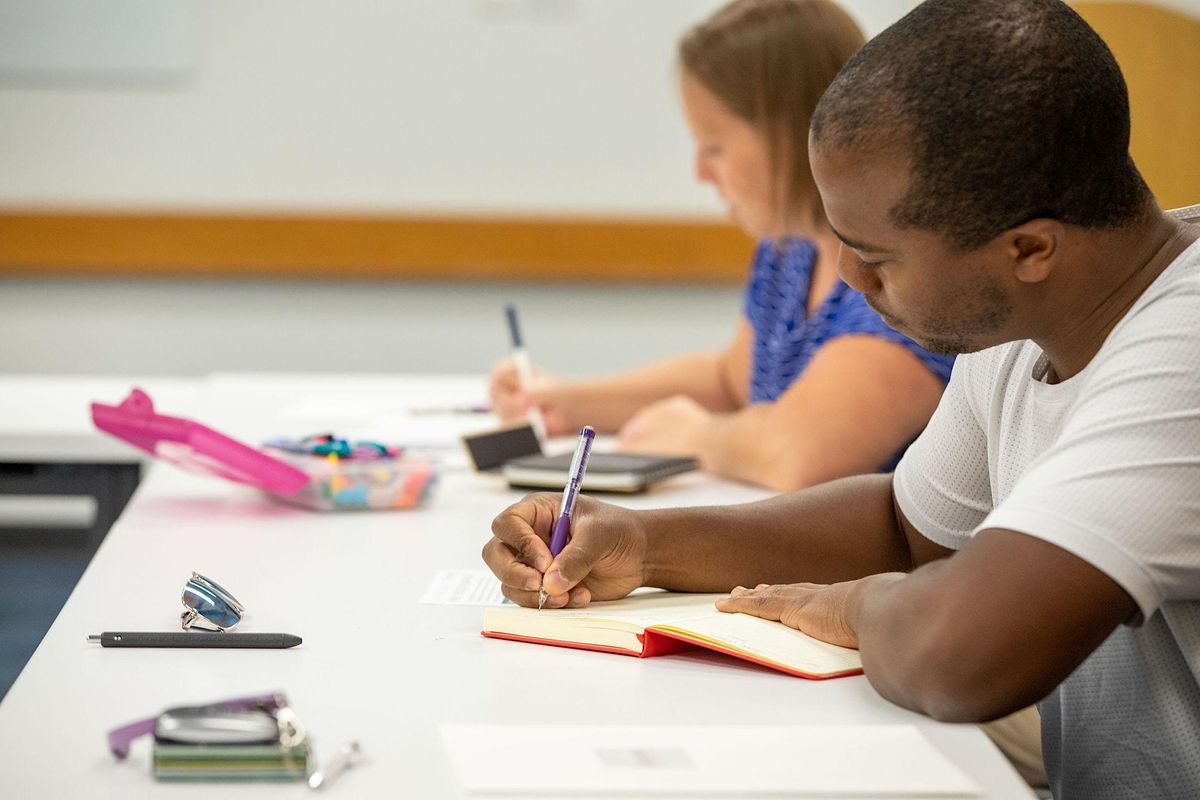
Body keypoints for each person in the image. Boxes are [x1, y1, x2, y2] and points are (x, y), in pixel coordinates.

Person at [482, 0, 1200, 796]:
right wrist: (647, 545)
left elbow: (958, 658)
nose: (852, 284)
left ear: (1030, 247)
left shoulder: (1185, 348)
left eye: (877, 259)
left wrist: (856, 608)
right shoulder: (1031, 318)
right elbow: (907, 527)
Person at [489, 0, 954, 491]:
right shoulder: (790, 250)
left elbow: (798, 453)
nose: (701, 173)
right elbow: (733, 380)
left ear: (790, 133)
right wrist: (567, 399)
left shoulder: (894, 271)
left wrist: (696, 435)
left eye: (715, 146)